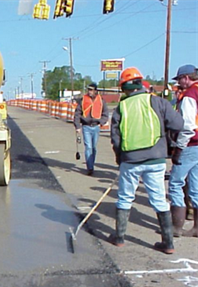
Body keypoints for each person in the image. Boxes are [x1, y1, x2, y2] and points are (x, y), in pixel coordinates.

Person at [110, 67, 183, 254]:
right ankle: (168, 244)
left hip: (130, 160)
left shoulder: (122, 107)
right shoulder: (158, 102)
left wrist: (120, 158)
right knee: (159, 199)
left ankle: (119, 238)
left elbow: (116, 137)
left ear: (124, 88)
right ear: (141, 84)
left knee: (125, 197)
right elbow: (178, 124)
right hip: (155, 159)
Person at [168, 64, 198, 238]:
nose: (179, 83)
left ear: (186, 78)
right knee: (195, 186)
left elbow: (187, 126)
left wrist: (179, 147)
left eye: (179, 79)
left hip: (191, 144)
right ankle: (196, 228)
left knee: (175, 184)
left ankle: (176, 227)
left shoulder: (189, 95)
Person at [73, 82, 109, 175]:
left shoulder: (101, 100)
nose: (90, 92)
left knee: (93, 147)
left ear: (96, 91)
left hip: (96, 127)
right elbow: (77, 114)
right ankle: (90, 168)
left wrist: (101, 122)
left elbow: (105, 113)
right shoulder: (83, 100)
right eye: (88, 90)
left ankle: (91, 164)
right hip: (86, 127)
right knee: (88, 147)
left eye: (91, 90)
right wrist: (78, 126)